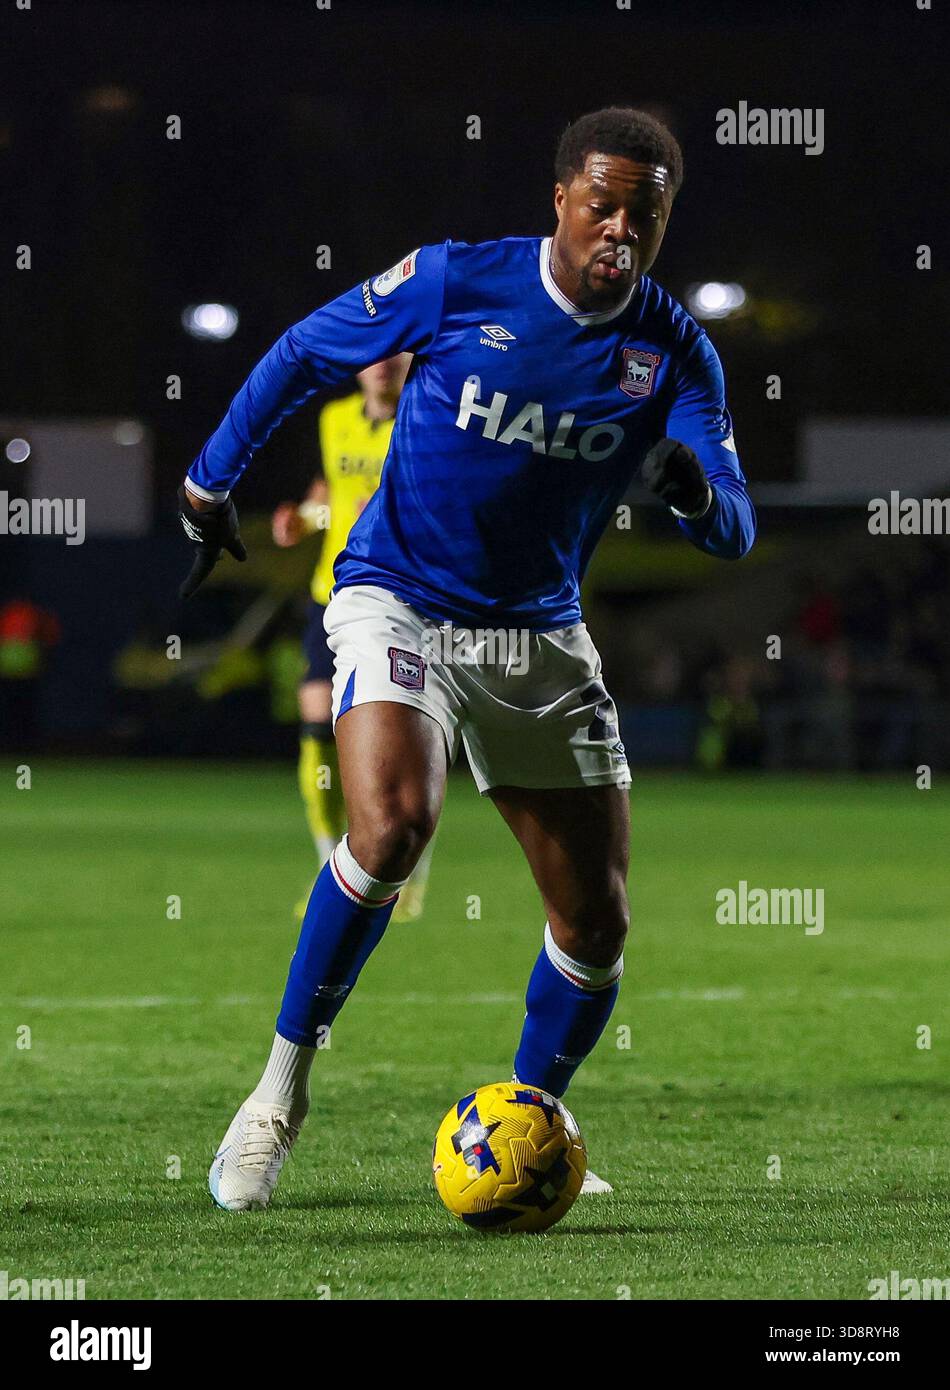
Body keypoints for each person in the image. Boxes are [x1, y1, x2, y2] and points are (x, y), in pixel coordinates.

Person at [177, 106, 756, 1210]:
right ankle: (275, 1098)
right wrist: (209, 481)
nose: (619, 230)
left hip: (535, 632)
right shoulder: (456, 282)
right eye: (601, 204)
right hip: (395, 597)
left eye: (645, 211)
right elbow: (307, 349)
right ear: (558, 199)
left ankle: (526, 1126)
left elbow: (733, 521)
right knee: (390, 825)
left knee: (593, 924)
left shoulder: (673, 350)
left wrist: (691, 490)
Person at [270, 354, 434, 920]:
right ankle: (329, 870)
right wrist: (304, 519)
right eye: (376, 352)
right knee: (317, 730)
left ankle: (403, 876)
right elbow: (330, 493)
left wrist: (394, 512)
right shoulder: (334, 417)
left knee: (402, 741)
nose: (385, 362)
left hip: (400, 599)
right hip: (330, 594)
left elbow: (444, 501)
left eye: (399, 351)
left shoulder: (428, 414)